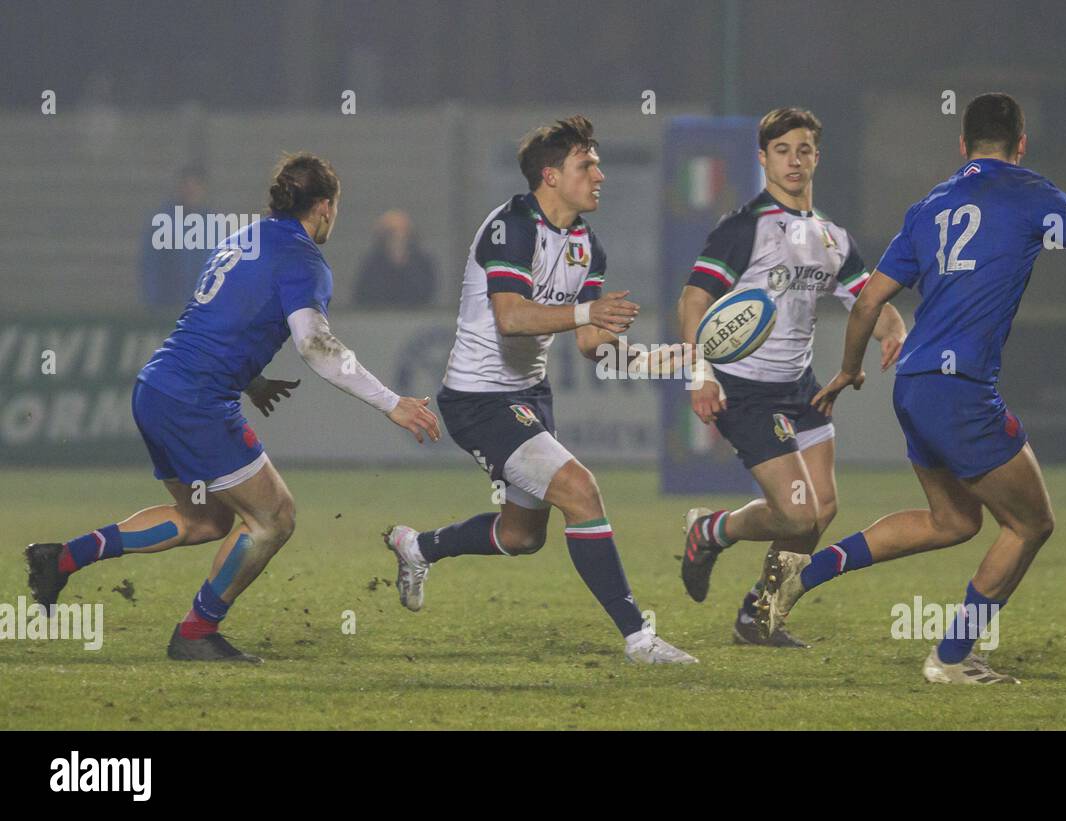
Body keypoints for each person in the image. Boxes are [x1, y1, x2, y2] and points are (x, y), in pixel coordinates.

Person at [757, 93, 1066, 683]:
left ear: (962, 146)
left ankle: (805, 572)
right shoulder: (1032, 193)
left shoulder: (929, 207)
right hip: (960, 390)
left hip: (915, 384)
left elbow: (870, 298)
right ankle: (951, 658)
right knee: (1032, 523)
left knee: (952, 521)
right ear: (1021, 145)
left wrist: (848, 370)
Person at [26, 153, 441, 664]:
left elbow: (220, 321)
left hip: (157, 387)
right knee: (274, 518)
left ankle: (61, 558)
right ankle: (196, 633)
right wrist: (391, 402)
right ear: (326, 206)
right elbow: (317, 347)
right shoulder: (303, 259)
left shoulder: (241, 239)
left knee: (202, 520)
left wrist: (253, 379)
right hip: (196, 400)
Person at [382, 115, 697, 664]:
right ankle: (638, 639)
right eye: (587, 164)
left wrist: (656, 361)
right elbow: (510, 318)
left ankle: (418, 546)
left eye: (596, 162)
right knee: (582, 491)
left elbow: (591, 344)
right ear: (550, 175)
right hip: (479, 401)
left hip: (529, 397)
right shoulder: (512, 225)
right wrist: (584, 311)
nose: (599, 174)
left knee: (523, 535)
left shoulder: (587, 247)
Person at [675, 107, 907, 647]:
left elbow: (871, 299)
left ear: (816, 157)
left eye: (804, 149)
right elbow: (693, 300)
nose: (794, 160)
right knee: (797, 513)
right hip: (746, 390)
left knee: (821, 511)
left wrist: (891, 328)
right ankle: (711, 530)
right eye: (782, 151)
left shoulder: (831, 237)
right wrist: (698, 375)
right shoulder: (743, 228)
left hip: (802, 387)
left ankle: (758, 617)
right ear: (763, 159)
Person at [139, 164, 216, 308]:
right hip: (166, 306)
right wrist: (152, 302)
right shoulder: (162, 222)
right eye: (186, 186)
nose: (190, 191)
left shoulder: (212, 225)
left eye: (195, 186)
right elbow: (150, 265)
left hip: (201, 309)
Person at [351, 209, 440, 307]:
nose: (398, 238)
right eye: (391, 233)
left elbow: (426, 292)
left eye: (402, 232)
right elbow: (364, 293)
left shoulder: (422, 261)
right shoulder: (372, 263)